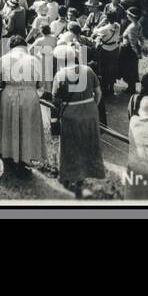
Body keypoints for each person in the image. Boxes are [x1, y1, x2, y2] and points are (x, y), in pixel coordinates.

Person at [51, 42, 106, 195]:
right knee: (88, 145)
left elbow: (55, 100)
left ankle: (67, 177)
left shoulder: (60, 75)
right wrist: (92, 106)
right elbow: (98, 92)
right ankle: (84, 177)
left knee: (69, 147)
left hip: (70, 113)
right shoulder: (88, 70)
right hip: (90, 111)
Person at [0, 35, 47, 174]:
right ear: (25, 46)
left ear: (11, 47)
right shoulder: (35, 60)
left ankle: (8, 156)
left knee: (9, 125)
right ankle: (25, 159)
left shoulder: (4, 58)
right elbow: (41, 84)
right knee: (27, 127)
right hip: (29, 95)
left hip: (9, 93)